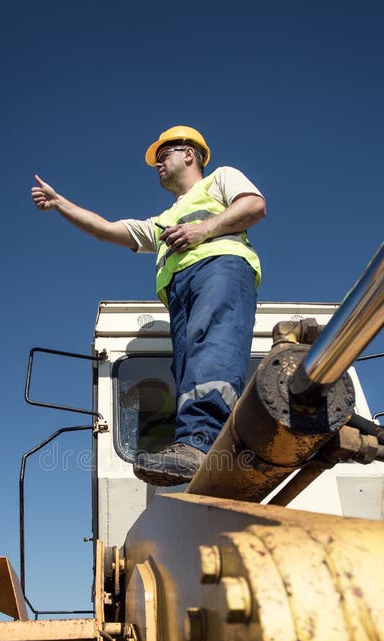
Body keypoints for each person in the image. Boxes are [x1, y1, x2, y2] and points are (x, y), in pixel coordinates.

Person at [30, 125, 266, 486]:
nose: (157, 162)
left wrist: (201, 231)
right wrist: (60, 203)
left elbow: (253, 206)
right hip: (180, 292)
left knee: (212, 347)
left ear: (189, 153)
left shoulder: (220, 178)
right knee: (188, 368)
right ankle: (197, 441)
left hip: (220, 266)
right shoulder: (162, 222)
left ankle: (201, 442)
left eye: (164, 153)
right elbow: (104, 229)